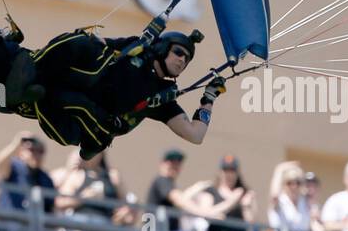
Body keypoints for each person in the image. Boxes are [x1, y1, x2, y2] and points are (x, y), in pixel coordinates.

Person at [27, 28, 226, 159]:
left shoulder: (161, 97)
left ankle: (33, 87)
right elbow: (98, 42)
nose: (183, 60)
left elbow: (195, 135)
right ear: (163, 48)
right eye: (179, 53)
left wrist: (208, 99)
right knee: (77, 42)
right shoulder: (134, 48)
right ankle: (31, 66)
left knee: (69, 100)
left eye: (187, 59)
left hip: (80, 125)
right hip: (73, 88)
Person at [0, 131, 56, 231]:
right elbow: (0, 163)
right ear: (20, 152)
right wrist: (17, 142)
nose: (36, 154)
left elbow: (51, 208)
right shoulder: (15, 167)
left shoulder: (46, 178)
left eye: (40, 151)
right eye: (31, 150)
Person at [181, 154, 256, 231]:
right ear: (220, 172)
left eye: (232, 170)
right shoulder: (211, 191)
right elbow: (206, 213)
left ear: (237, 173)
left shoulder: (245, 193)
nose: (229, 175)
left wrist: (246, 207)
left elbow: (251, 226)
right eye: (226, 170)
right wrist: (231, 202)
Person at [267, 161, 313, 231]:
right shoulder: (281, 201)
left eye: (297, 183)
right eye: (289, 183)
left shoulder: (305, 203)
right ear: (284, 184)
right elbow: (274, 195)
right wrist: (280, 169)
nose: (294, 186)